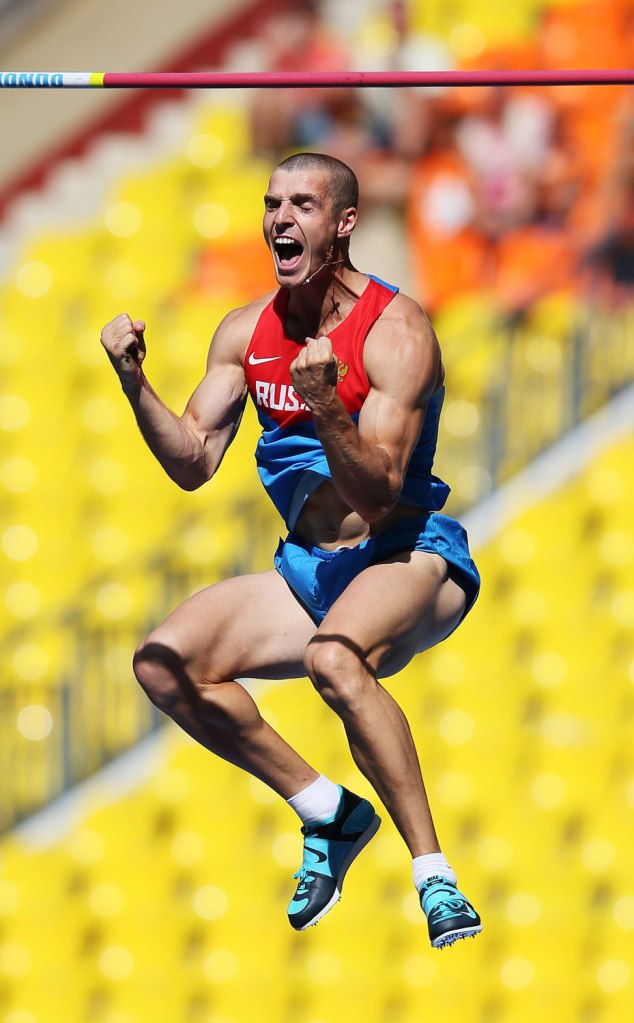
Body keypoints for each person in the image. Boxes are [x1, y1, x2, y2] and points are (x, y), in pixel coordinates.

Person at [100, 152, 482, 949]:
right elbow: (193, 462)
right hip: (310, 568)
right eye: (272, 202)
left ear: (343, 224)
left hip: (405, 553)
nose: (280, 217)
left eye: (303, 204)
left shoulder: (397, 330)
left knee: (335, 661)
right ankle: (327, 811)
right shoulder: (245, 331)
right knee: (163, 662)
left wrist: (325, 408)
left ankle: (435, 876)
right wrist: (135, 383)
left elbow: (378, 496)